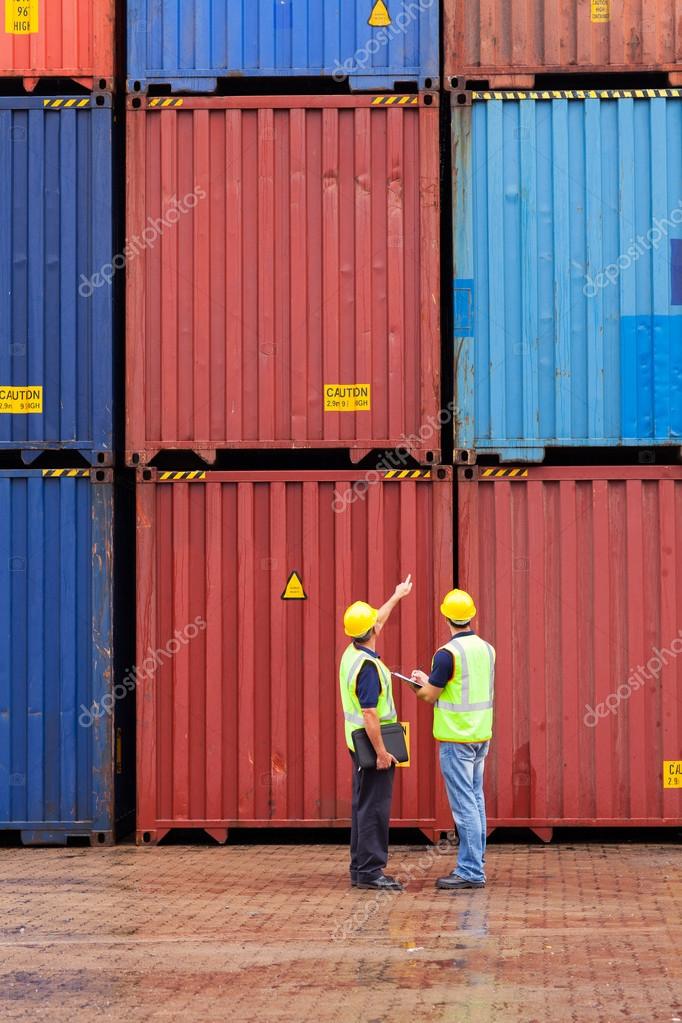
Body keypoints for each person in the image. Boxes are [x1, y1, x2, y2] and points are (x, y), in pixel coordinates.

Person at [411, 589, 495, 890]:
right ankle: (477, 862)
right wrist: (431, 681)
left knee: (464, 806)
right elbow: (463, 687)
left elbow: (429, 695)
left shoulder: (447, 654)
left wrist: (418, 686)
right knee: (476, 800)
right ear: (472, 615)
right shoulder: (487, 649)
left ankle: (471, 871)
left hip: (456, 738)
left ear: (445, 616)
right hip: (480, 735)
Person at [339, 576, 413, 891]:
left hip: (357, 745)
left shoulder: (352, 652)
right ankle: (370, 871)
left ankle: (361, 869)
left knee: (363, 804)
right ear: (372, 632)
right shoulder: (368, 668)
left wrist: (396, 596)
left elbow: (376, 618)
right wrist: (383, 752)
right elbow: (370, 713)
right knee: (375, 807)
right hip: (373, 747)